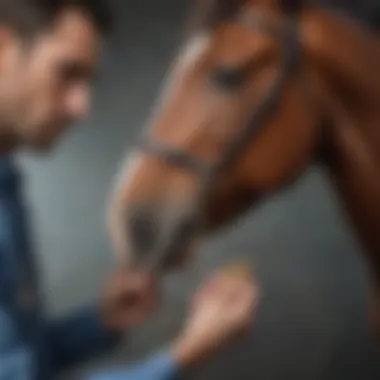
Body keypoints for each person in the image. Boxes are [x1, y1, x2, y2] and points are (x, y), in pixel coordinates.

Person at [0, 1, 259, 380]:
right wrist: (182, 355)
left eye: (88, 81)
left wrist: (103, 322)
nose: (81, 106)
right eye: (66, 72)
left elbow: (19, 364)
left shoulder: (8, 187)